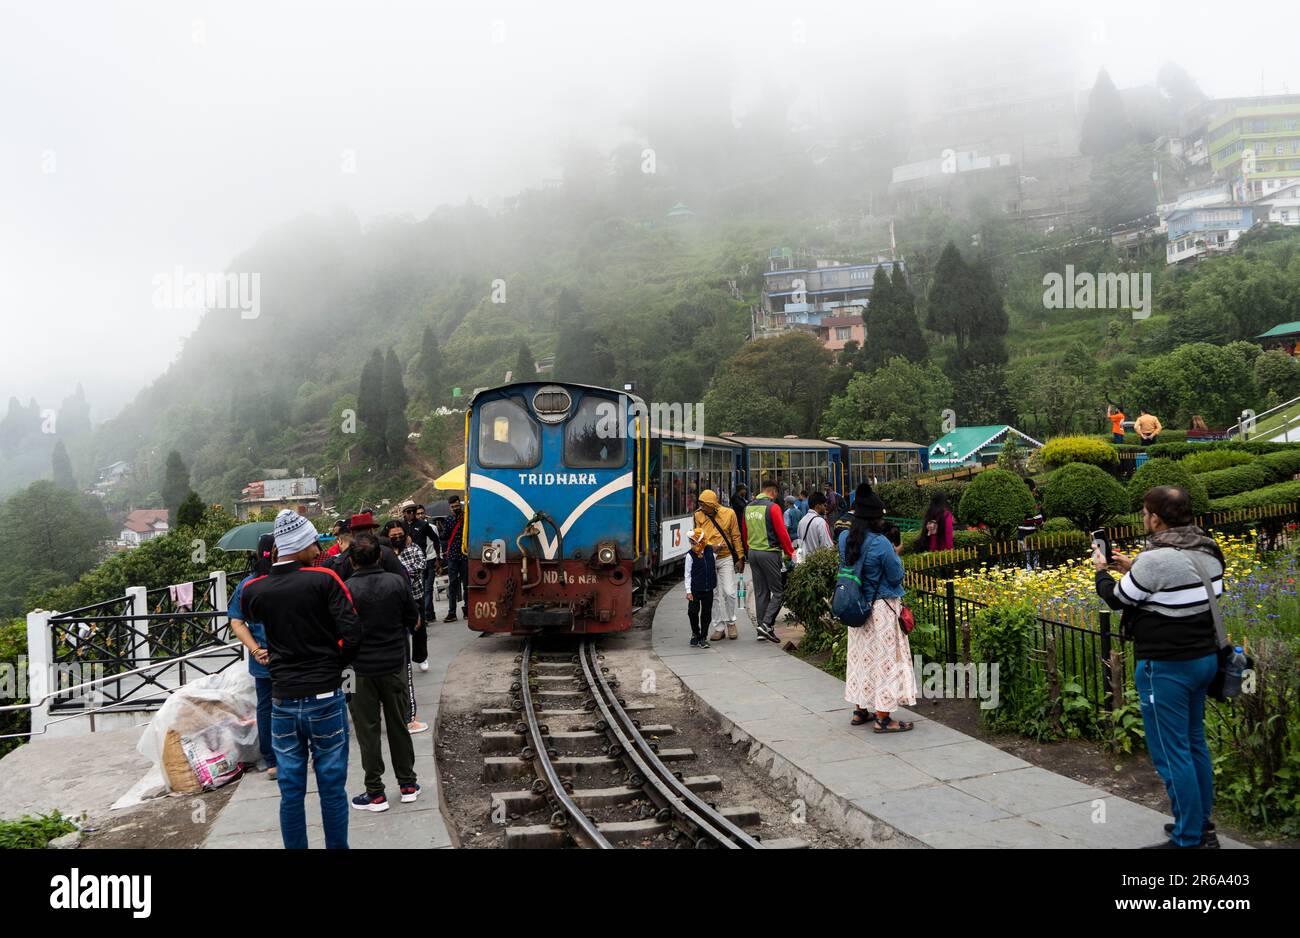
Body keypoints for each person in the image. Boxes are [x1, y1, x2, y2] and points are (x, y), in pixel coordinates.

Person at [1094, 486, 1222, 849]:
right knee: (1195, 743)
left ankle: (1188, 838)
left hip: (1166, 667)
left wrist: (1102, 571)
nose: (1144, 517)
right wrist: (1134, 568)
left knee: (1171, 752)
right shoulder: (1207, 547)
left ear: (1157, 518)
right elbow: (1189, 584)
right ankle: (1202, 825)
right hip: (1205, 659)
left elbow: (1117, 599)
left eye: (1146, 512)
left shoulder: (1157, 559)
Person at [243, 509, 362, 850]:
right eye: (312, 539)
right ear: (300, 542)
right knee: (331, 788)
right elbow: (353, 633)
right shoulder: (325, 580)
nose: (317, 545)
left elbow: (251, 615)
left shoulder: (256, 591)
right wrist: (333, 665)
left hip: (282, 701)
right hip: (325, 698)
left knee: (291, 791)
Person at [344, 533, 421, 813]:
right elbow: (413, 620)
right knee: (399, 726)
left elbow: (340, 632)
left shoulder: (345, 589)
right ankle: (408, 785)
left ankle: (375, 793)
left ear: (352, 561)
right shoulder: (397, 582)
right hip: (393, 665)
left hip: (358, 671)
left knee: (368, 731)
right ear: (379, 557)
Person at [837, 487, 916, 732]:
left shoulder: (844, 539)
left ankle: (861, 710)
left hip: (857, 608)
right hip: (881, 609)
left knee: (862, 659)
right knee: (885, 662)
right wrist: (895, 554)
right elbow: (896, 575)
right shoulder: (881, 543)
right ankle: (883, 717)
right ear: (875, 518)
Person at [227, 533, 277, 779]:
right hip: (294, 656)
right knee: (296, 702)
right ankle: (301, 753)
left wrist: (255, 650)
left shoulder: (247, 585)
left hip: (263, 660)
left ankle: (272, 761)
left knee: (266, 707)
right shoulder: (293, 578)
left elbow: (237, 621)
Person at [383, 520, 430, 734]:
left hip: (416, 597)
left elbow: (419, 568)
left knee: (419, 633)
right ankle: (408, 717)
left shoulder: (413, 549)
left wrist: (400, 569)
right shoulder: (385, 552)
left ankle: (421, 657)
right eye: (393, 534)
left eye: (400, 533)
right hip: (397, 605)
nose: (397, 537)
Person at [744, 478, 796, 643]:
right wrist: (791, 552)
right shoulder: (773, 508)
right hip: (770, 553)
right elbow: (782, 533)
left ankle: (761, 630)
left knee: (761, 592)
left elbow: (745, 533)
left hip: (753, 552)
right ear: (773, 491)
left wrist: (749, 550)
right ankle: (766, 624)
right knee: (779, 592)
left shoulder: (748, 508)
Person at [694, 488, 744, 642]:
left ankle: (731, 622)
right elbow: (698, 537)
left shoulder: (729, 513)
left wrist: (740, 556)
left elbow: (736, 536)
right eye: (701, 505)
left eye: (705, 505)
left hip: (726, 558)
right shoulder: (698, 515)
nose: (702, 508)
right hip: (708, 558)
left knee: (729, 592)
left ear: (713, 504)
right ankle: (718, 627)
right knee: (712, 594)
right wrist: (708, 547)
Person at [684, 528, 716, 649]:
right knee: (692, 612)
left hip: (709, 589)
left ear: (700, 541)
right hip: (695, 590)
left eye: (693, 542)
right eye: (691, 542)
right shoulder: (689, 555)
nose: (692, 544)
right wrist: (688, 591)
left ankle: (703, 637)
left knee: (706, 614)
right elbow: (687, 575)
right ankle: (695, 633)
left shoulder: (709, 550)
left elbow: (716, 556)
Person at [443, 494, 468, 622]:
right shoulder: (448, 519)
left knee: (467, 583)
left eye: (457, 506)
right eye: (453, 507)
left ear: (460, 504)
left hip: (465, 554)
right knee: (453, 584)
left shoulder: (467, 517)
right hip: (452, 555)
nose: (456, 508)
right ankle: (452, 612)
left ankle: (467, 609)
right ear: (450, 507)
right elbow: (446, 536)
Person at [796, 491, 835, 558]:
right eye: (824, 505)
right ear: (818, 506)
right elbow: (828, 547)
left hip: (803, 564)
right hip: (816, 564)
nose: (826, 508)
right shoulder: (821, 522)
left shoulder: (801, 522)